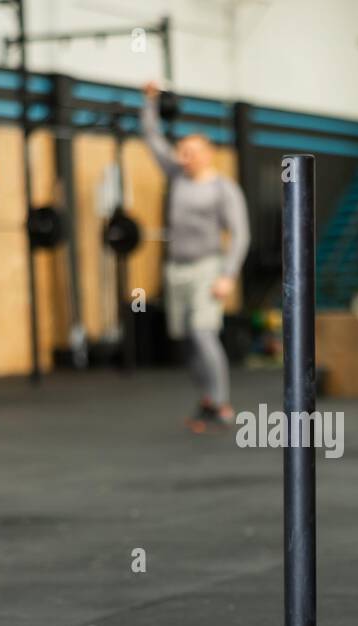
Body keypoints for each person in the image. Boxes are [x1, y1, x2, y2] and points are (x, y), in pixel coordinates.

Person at [140, 81, 250, 433]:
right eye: (181, 151)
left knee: (203, 333)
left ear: (207, 153)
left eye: (191, 151)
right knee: (187, 340)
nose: (183, 157)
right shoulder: (176, 176)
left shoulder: (223, 189)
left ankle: (221, 404)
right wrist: (150, 101)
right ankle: (207, 399)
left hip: (207, 268)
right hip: (177, 270)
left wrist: (228, 274)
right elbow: (150, 135)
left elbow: (240, 234)